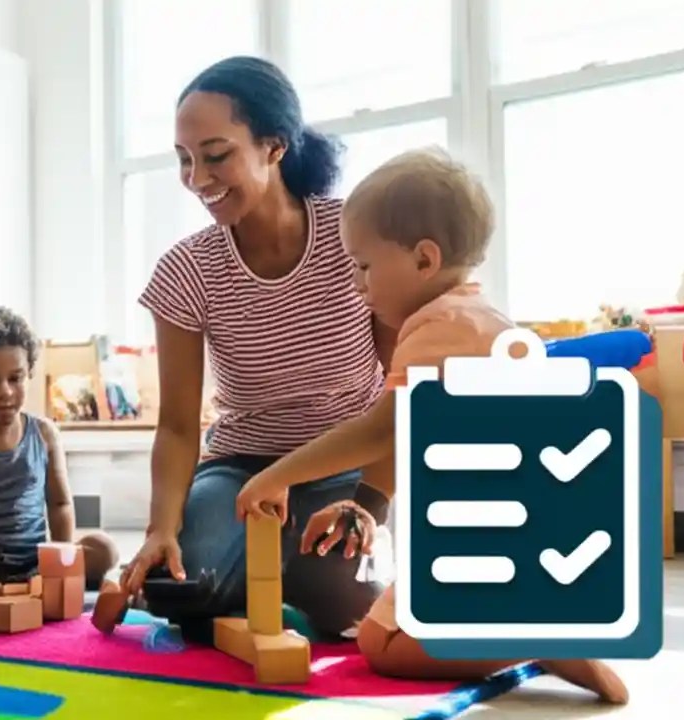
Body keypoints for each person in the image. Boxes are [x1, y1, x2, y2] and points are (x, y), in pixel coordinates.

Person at [234, 148, 628, 704]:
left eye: (365, 266)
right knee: (391, 610)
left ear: (424, 259)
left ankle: (536, 636)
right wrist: (361, 505)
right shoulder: (483, 320)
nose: (356, 285)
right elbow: (410, 441)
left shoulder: (437, 330)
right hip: (534, 535)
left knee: (382, 641)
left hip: (495, 545)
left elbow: (381, 431)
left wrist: (277, 475)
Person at [119, 55, 394, 638]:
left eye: (216, 155)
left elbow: (401, 389)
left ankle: (298, 574)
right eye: (184, 160)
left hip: (345, 465)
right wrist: (160, 528)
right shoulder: (187, 268)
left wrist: (372, 504)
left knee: (344, 599)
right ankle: (276, 570)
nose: (197, 178)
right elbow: (175, 426)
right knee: (179, 591)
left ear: (274, 146)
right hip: (242, 467)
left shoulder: (355, 235)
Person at [0, 307, 119, 601]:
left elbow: (59, 503)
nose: (5, 391)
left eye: (15, 378)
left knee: (104, 548)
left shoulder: (44, 434)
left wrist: (60, 562)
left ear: (28, 373)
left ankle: (60, 582)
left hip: (36, 563)